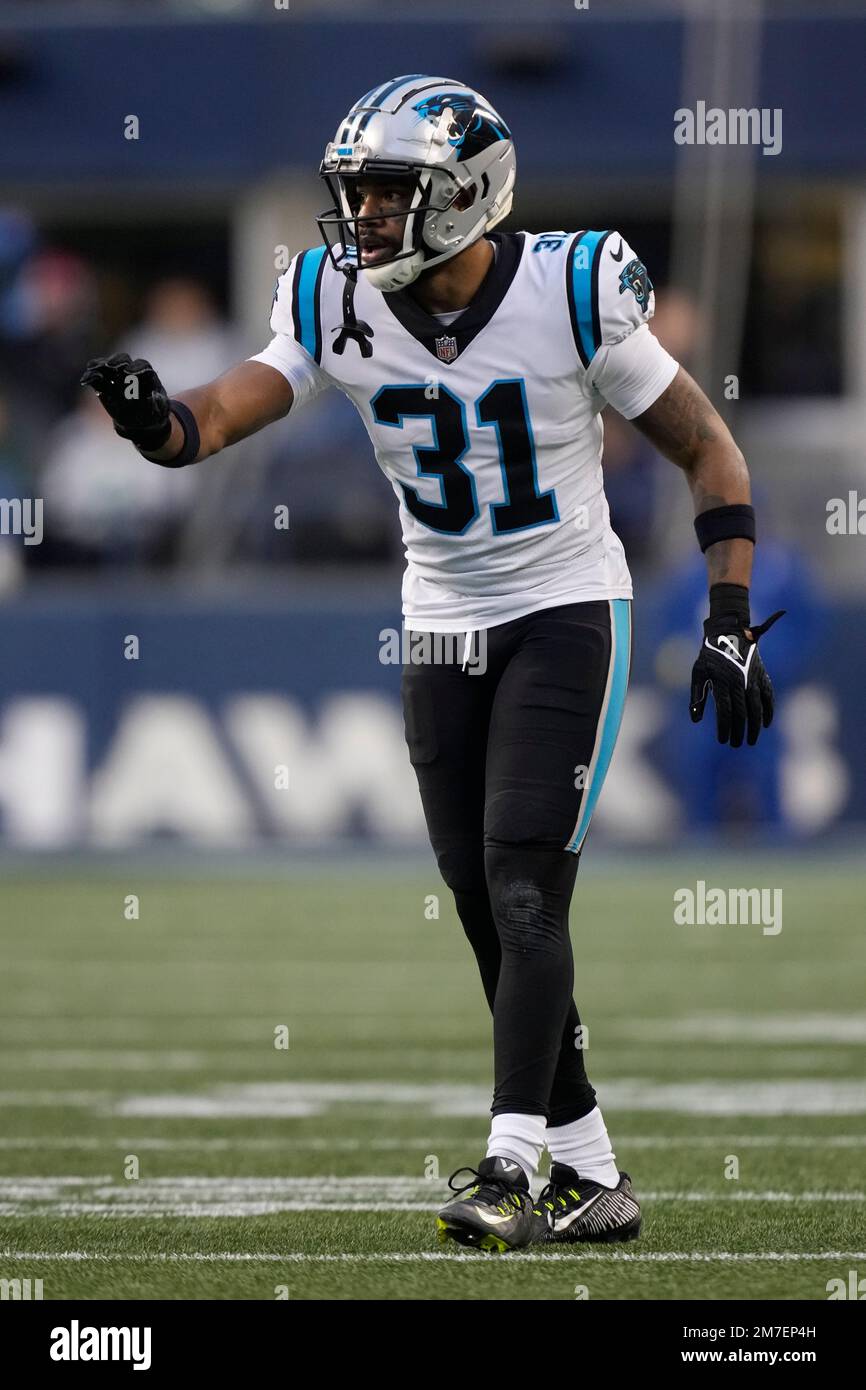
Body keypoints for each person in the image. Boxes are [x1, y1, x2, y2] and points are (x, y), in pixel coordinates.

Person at [81, 75, 783, 1253]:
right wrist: (158, 422)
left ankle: (510, 1165)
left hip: (564, 604)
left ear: (464, 195)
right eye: (353, 195)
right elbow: (225, 412)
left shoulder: (568, 288)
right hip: (441, 613)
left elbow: (706, 449)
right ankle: (593, 1175)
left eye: (386, 193)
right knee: (478, 902)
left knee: (521, 882)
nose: (360, 220)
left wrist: (725, 607)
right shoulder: (329, 295)